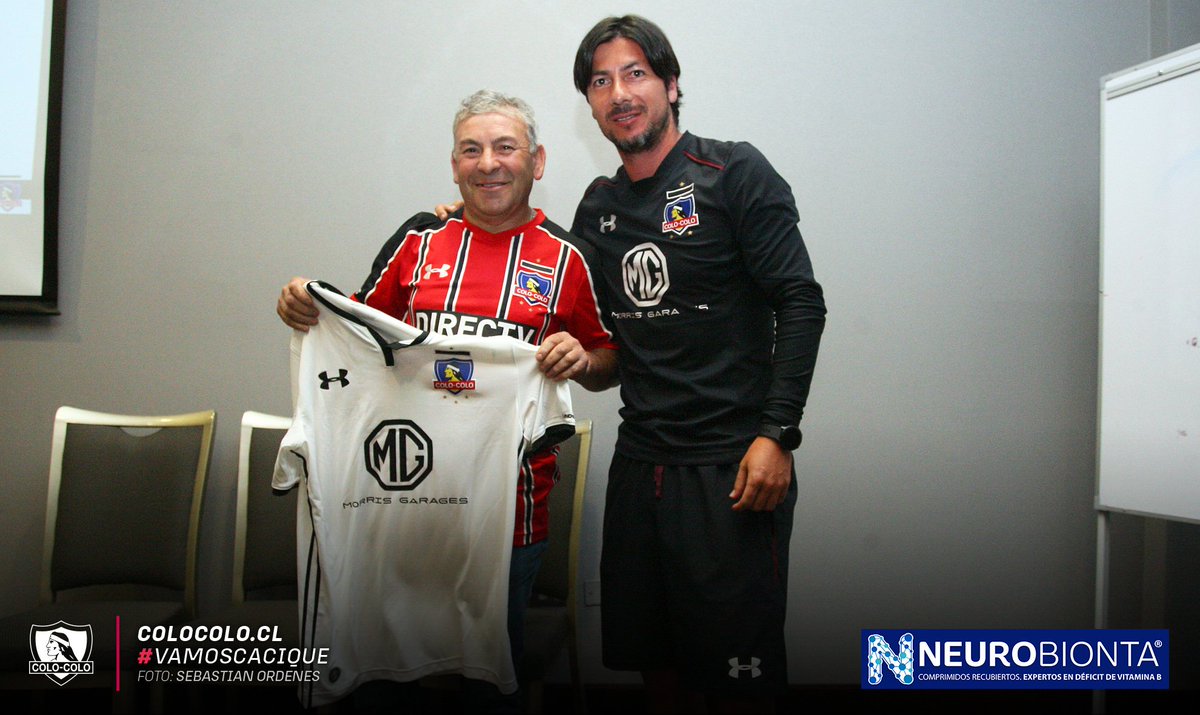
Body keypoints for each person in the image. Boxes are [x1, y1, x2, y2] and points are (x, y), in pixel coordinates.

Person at [277, 89, 618, 711]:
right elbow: (357, 338)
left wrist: (584, 358)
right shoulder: (417, 240)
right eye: (471, 150)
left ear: (537, 162)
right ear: (455, 165)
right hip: (402, 500)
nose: (488, 162)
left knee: (489, 681)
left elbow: (609, 360)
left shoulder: (569, 257)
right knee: (393, 675)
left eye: (505, 147)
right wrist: (306, 304)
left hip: (508, 513)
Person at [570, 15, 826, 714]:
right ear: (589, 105)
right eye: (600, 81)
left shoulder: (733, 170)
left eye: (635, 74)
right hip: (640, 469)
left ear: (671, 85)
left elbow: (801, 302)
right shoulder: (597, 208)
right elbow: (607, 354)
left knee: (738, 679)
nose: (619, 93)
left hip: (734, 468)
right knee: (655, 667)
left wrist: (778, 434)